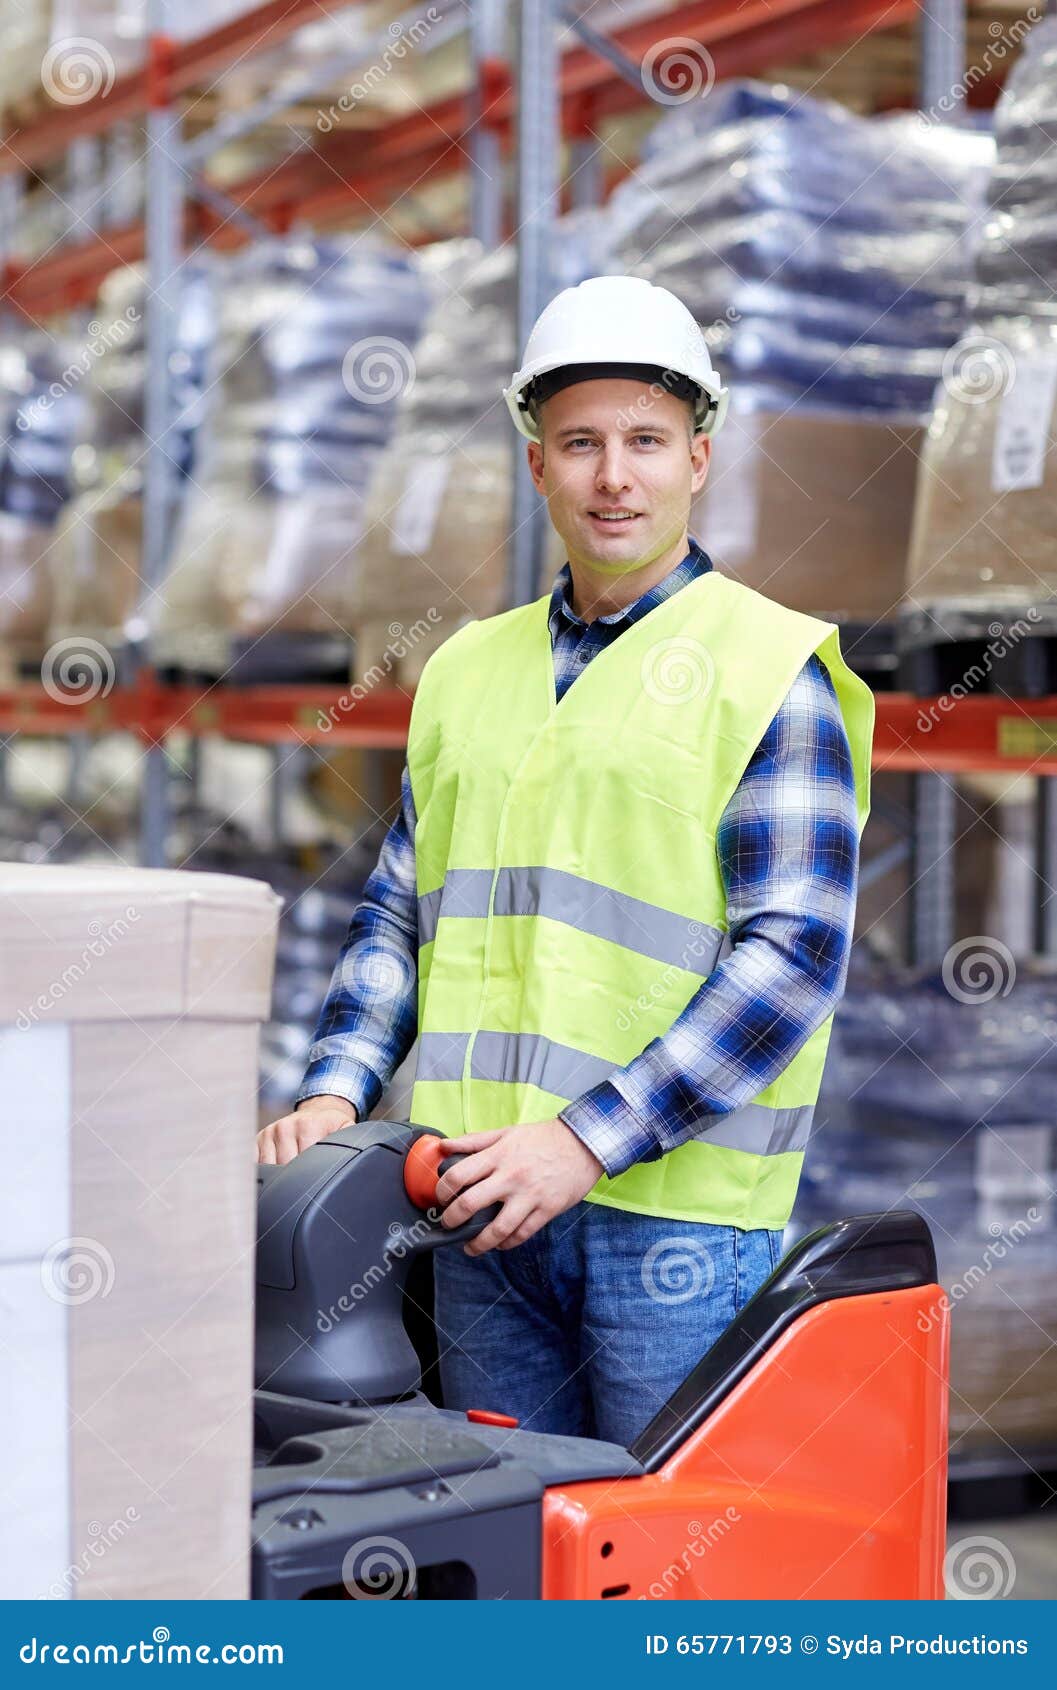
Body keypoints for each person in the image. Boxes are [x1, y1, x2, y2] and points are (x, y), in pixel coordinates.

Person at [256, 275, 874, 1448]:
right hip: (479, 1208)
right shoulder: (464, 670)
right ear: (537, 465)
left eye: (646, 442)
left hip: (673, 1226)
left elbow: (791, 958)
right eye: (581, 443)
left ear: (698, 458)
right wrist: (335, 1088)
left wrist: (585, 1139)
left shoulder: (766, 668)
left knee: (658, 1537)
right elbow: (397, 916)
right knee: (507, 1523)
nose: (613, 476)